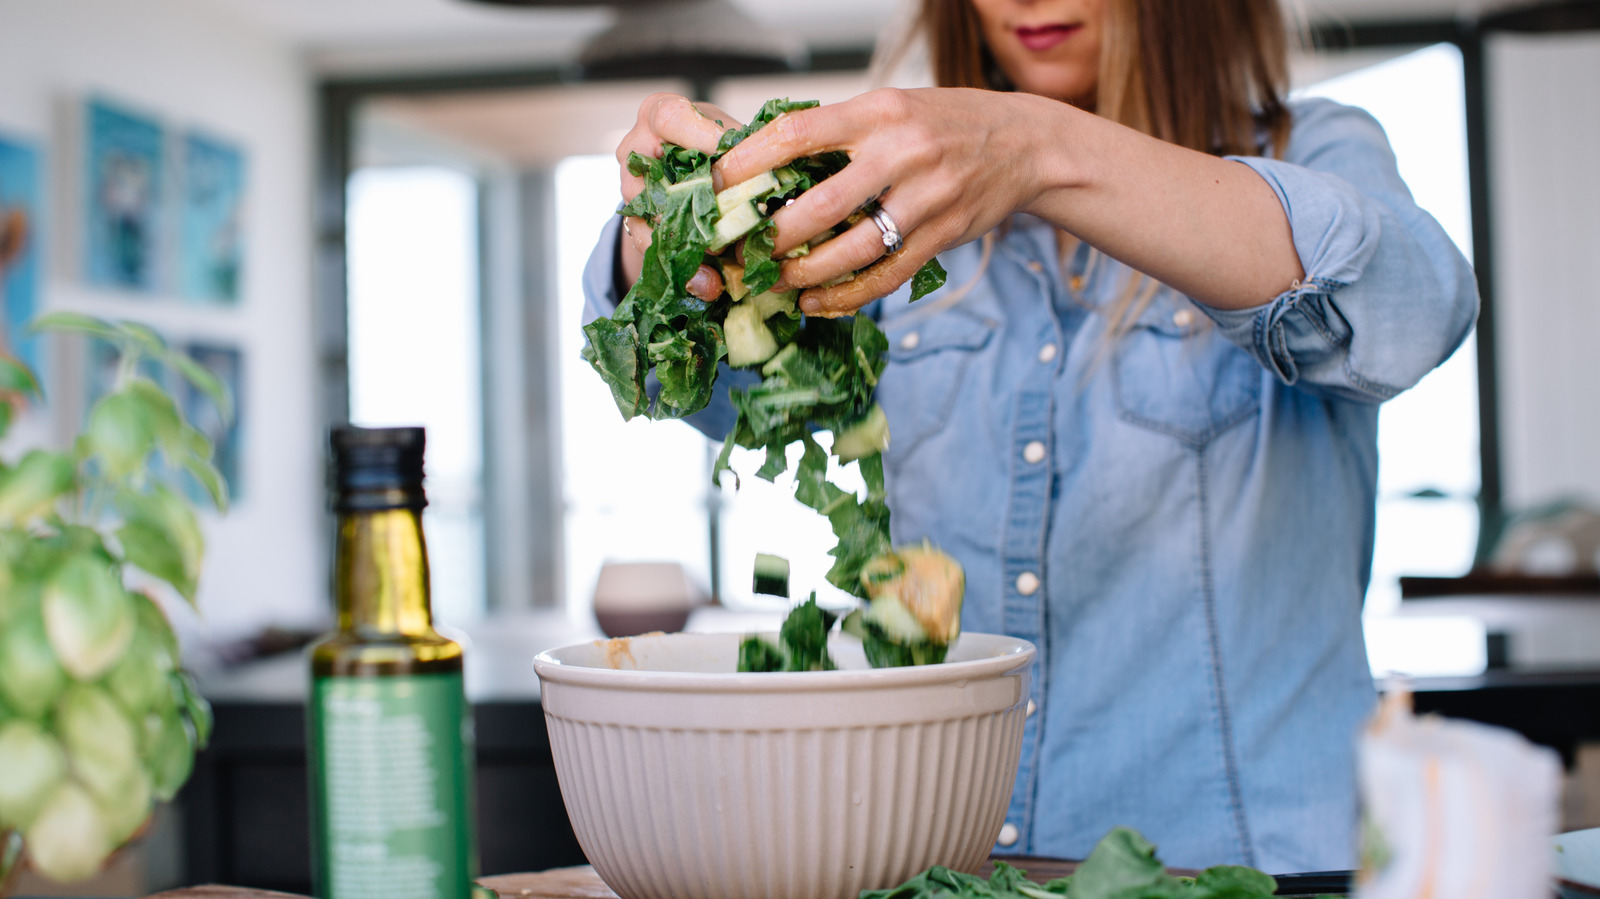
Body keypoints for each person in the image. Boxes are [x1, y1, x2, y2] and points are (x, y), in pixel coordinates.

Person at [582, 0, 1478, 875]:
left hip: (1253, 872)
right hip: (956, 867)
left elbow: (1411, 315)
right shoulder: (898, 205)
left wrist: (1039, 147)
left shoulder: (1314, 146)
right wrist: (671, 238)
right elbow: (706, 386)